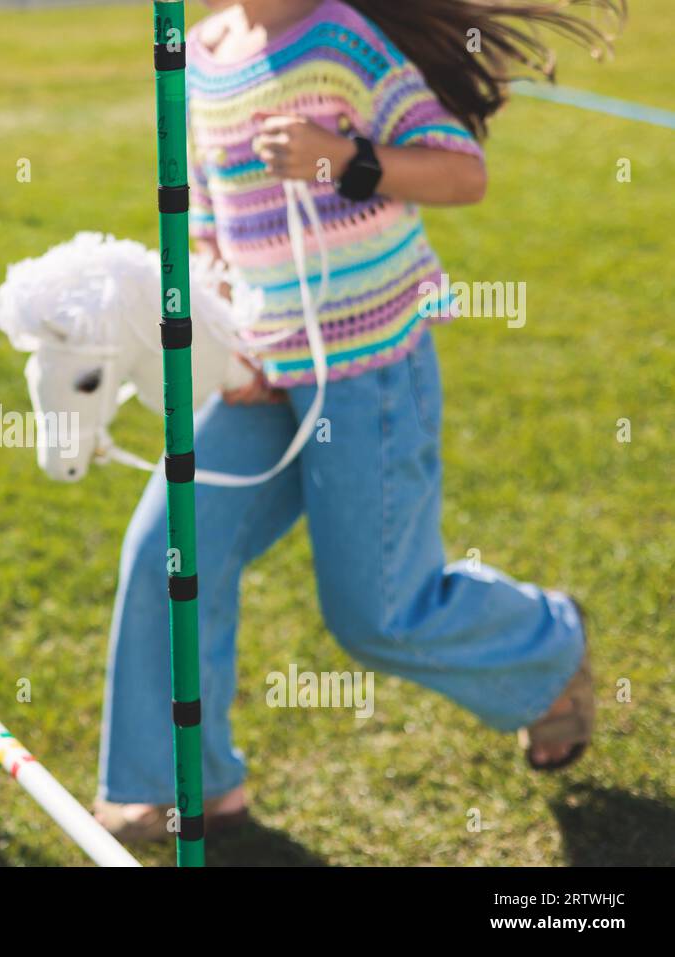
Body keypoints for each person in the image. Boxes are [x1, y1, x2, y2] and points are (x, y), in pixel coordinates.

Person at [94, 0, 623, 841]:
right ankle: (176, 784)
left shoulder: (340, 36)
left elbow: (461, 173)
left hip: (368, 364)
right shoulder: (199, 53)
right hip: (263, 376)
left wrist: (342, 159)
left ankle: (545, 640)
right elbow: (205, 215)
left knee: (380, 613)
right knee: (170, 547)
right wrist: (228, 328)